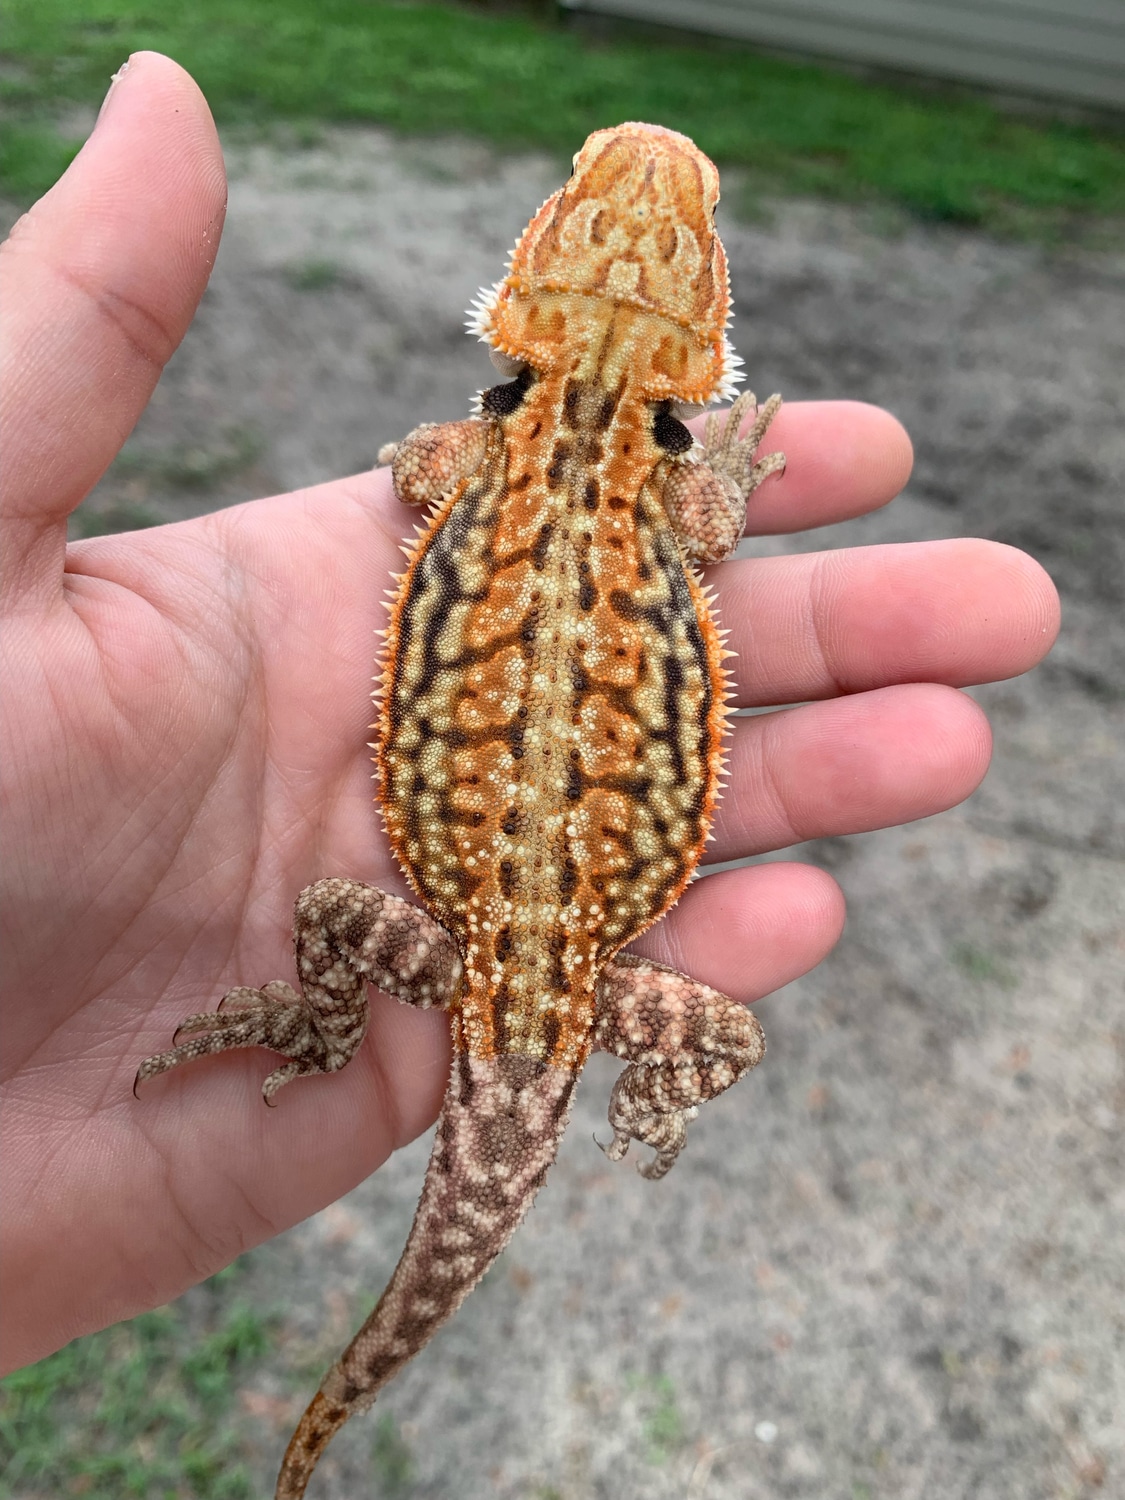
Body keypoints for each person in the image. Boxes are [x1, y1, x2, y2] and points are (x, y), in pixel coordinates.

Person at [0, 52, 1060, 1377]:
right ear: (700, 324)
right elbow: (714, 520)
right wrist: (729, 468)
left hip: (478, 932)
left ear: (531, 277)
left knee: (338, 921)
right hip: (550, 957)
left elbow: (411, 467)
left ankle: (327, 1028)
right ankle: (615, 1085)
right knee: (713, 1030)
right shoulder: (682, 503)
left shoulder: (473, 458)